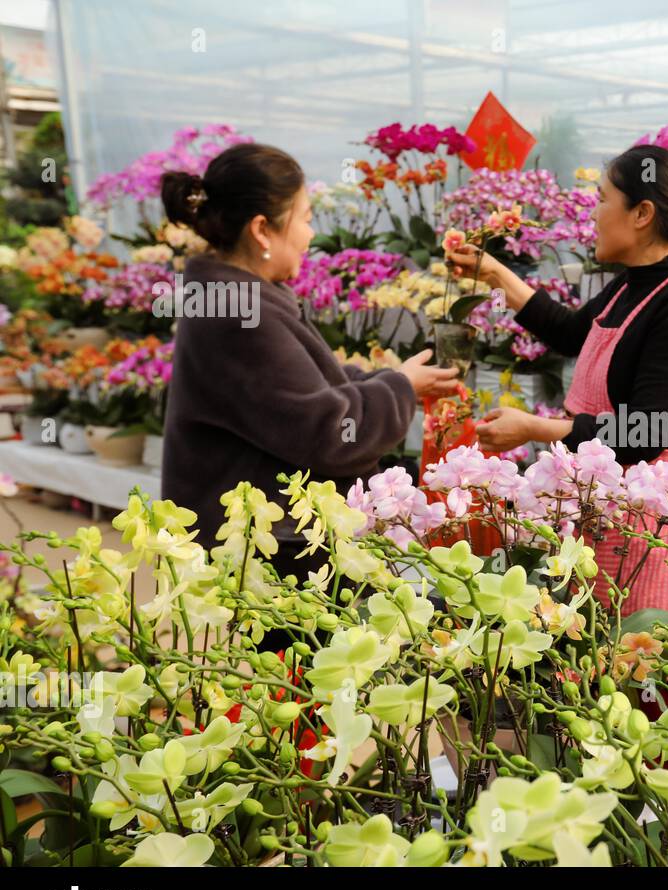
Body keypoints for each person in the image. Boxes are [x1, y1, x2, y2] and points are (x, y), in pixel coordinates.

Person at [445, 144, 668, 633]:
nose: (593, 214)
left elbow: (652, 429)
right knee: (589, 672)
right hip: (605, 510)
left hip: (657, 528)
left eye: (602, 199)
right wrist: (493, 273)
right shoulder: (632, 284)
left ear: (642, 213)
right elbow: (568, 331)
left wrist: (536, 429)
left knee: (642, 679)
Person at [159, 143, 460, 605]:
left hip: (275, 541)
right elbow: (327, 431)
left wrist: (388, 378)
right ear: (262, 229)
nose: (310, 234)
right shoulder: (242, 313)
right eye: (304, 217)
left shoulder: (238, 296)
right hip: (277, 551)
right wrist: (400, 386)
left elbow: (307, 385)